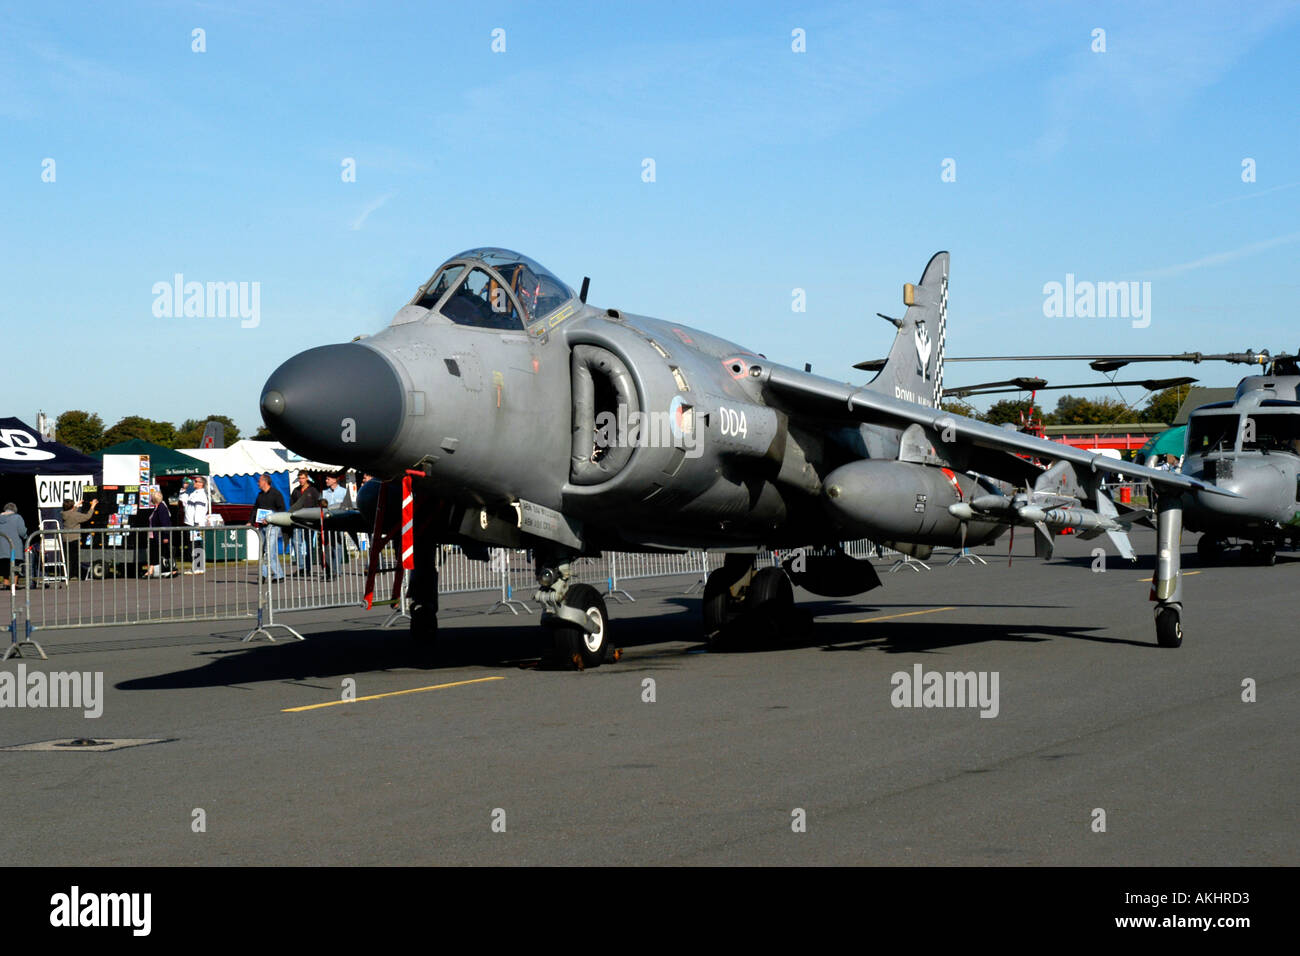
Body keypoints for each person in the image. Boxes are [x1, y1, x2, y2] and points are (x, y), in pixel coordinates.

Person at [250, 473, 287, 581]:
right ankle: (266, 574)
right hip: (262, 527)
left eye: (259, 481)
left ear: (265, 482)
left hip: (273, 527)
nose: (258, 483)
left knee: (269, 551)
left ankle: (276, 574)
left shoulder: (276, 494)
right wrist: (250, 522)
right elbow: (255, 509)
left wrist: (271, 518)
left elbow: (282, 510)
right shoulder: (260, 495)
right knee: (262, 550)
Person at [289, 472, 322, 576]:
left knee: (308, 545)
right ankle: (301, 567)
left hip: (309, 521)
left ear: (307, 478)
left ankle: (307, 568)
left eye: (303, 478)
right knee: (296, 543)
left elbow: (318, 504)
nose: (301, 480)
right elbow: (292, 505)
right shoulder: (296, 491)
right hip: (297, 521)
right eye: (299, 478)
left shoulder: (313, 490)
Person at [320, 474, 353, 579]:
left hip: (338, 523)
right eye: (326, 478)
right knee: (327, 548)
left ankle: (337, 571)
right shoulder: (324, 492)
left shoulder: (343, 492)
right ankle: (329, 571)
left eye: (328, 478)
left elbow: (348, 507)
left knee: (337, 547)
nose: (326, 480)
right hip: (327, 524)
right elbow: (321, 506)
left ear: (335, 480)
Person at [180, 476, 210, 575]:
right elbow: (184, 501)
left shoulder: (201, 495)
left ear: (201, 484)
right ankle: (196, 567)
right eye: (194, 481)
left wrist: (196, 524)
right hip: (190, 523)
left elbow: (200, 510)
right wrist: (183, 489)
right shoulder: (194, 493)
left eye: (196, 481)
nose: (194, 482)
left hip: (196, 524)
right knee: (192, 545)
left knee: (196, 544)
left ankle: (199, 567)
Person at [61, 496, 98, 576]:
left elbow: (70, 513)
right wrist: (92, 506)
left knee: (67, 558)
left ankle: (67, 574)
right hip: (74, 539)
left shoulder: (63, 514)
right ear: (72, 507)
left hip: (65, 539)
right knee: (74, 558)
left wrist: (77, 505)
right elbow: (87, 516)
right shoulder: (75, 515)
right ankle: (73, 574)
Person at [144, 489, 174, 578]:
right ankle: (151, 569)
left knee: (163, 553)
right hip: (153, 534)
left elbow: (165, 523)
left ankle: (170, 569)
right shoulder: (155, 508)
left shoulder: (162, 508)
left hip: (159, 535)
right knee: (153, 552)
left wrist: (166, 536)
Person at [0, 502, 28, 587]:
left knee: (4, 564)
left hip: (1, 546)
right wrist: (26, 536)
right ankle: (14, 583)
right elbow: (22, 532)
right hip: (14, 546)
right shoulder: (17, 518)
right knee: (16, 564)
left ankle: (6, 582)